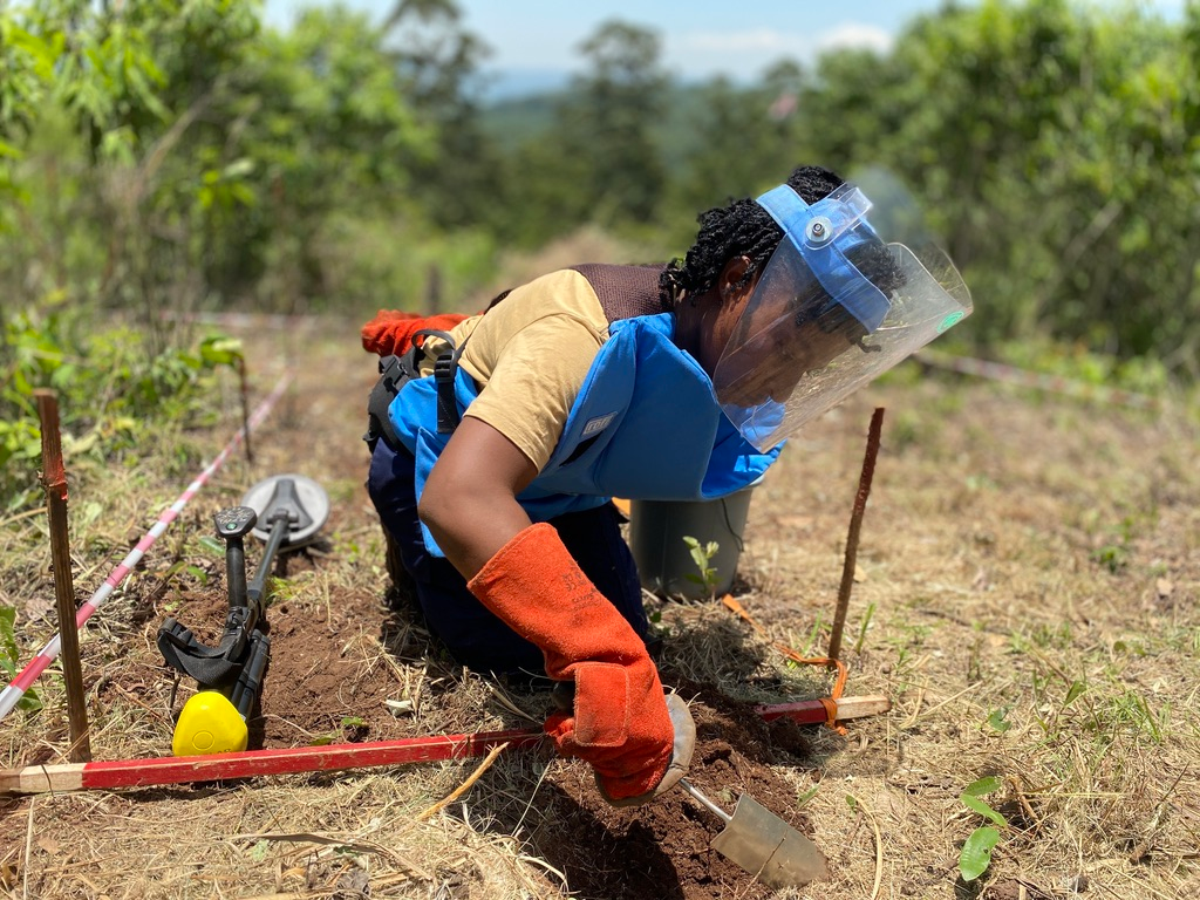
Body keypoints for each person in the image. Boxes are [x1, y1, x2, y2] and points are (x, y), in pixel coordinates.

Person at [361, 164, 971, 807]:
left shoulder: (706, 335)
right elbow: (460, 497)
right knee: (510, 653)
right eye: (788, 348)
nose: (783, 386)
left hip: (559, 485)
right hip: (441, 467)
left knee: (630, 648)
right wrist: (597, 652)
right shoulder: (579, 339)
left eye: (809, 367)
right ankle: (414, 562)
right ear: (737, 279)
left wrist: (612, 651)